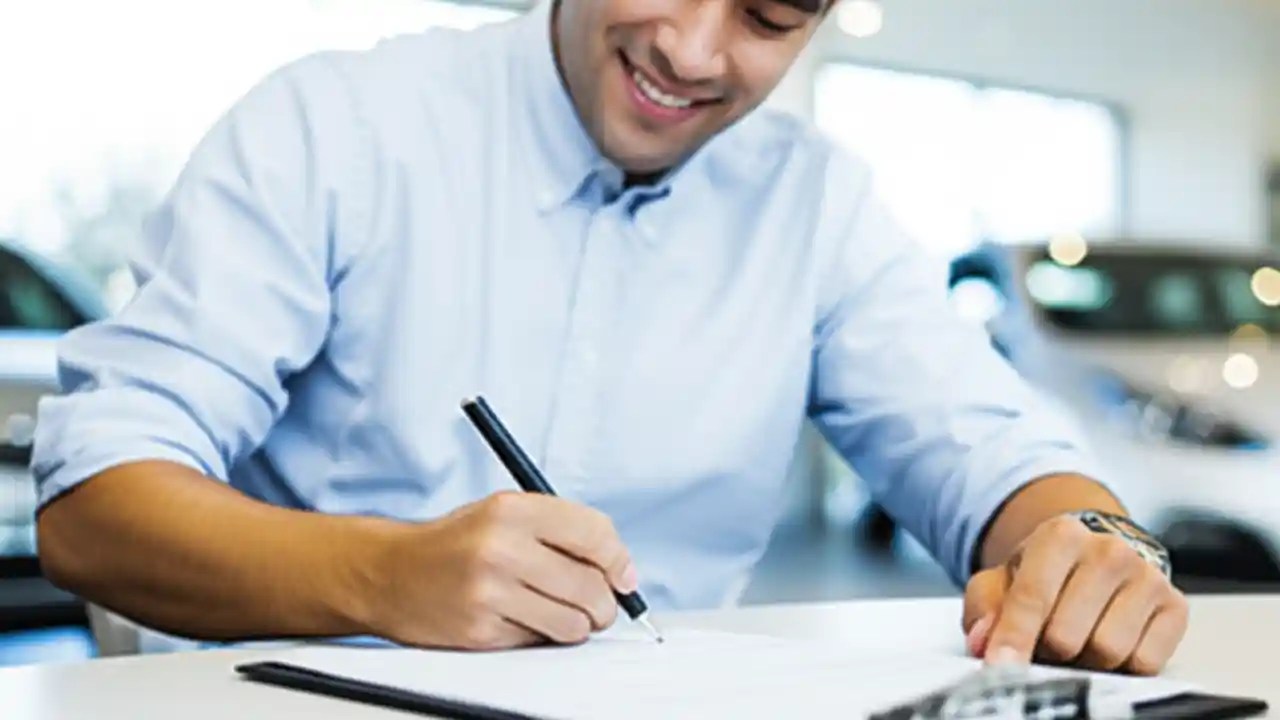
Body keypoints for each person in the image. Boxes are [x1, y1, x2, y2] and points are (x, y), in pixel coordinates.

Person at [33, 0, 1187, 672]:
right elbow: (92, 507)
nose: (690, 49)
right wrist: (379, 575)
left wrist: (1089, 546)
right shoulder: (339, 126)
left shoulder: (817, 207)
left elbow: (994, 461)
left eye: (766, 14)